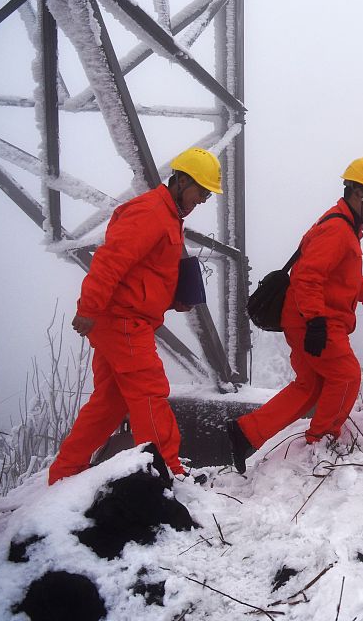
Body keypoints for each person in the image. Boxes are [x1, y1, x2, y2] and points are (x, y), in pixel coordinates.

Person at [48, 147, 223, 484]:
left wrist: (173, 299)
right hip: (123, 322)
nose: (203, 199)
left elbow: (143, 273)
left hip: (126, 319)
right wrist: (88, 309)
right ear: (182, 180)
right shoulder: (150, 213)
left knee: (110, 403)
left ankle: (65, 473)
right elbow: (110, 261)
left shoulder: (166, 216)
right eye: (201, 190)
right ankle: (168, 472)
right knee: (150, 394)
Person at [226, 157, 363, 474]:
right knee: (345, 376)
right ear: (360, 193)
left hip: (303, 318)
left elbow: (342, 275)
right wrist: (315, 321)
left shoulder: (343, 227)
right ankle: (321, 443)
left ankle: (246, 432)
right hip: (313, 320)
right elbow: (307, 278)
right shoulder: (338, 231)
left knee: (310, 385)